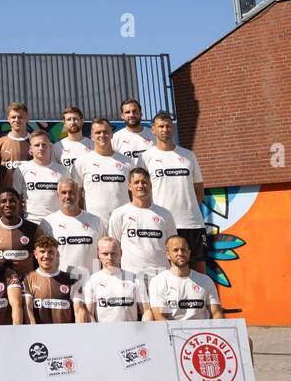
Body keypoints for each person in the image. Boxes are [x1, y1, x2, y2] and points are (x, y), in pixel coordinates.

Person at [140, 111, 209, 273]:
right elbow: (140, 191)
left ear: (173, 129)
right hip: (162, 223)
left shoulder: (188, 155)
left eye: (168, 126)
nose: (165, 129)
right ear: (153, 130)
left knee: (199, 272)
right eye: (161, 126)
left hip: (192, 223)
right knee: (166, 272)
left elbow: (199, 190)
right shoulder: (145, 158)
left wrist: (187, 208)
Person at [107, 167, 177, 282]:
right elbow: (113, 249)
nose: (140, 185)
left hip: (161, 277)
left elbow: (173, 247)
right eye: (136, 182)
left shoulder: (165, 214)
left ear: (150, 184)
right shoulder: (119, 213)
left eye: (144, 182)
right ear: (129, 186)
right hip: (131, 277)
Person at [69, 119, 135, 227]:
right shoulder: (82, 162)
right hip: (94, 223)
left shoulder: (127, 162)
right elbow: (78, 195)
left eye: (105, 132)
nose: (102, 135)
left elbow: (133, 193)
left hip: (124, 222)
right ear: (92, 136)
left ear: (111, 134)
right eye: (98, 132)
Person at [39, 178, 104, 277]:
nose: (67, 196)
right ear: (58, 195)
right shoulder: (48, 223)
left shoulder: (96, 221)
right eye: (64, 193)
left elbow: (104, 254)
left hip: (90, 283)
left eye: (71, 192)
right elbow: (40, 257)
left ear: (78, 194)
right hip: (60, 283)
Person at [149, 234, 223, 320]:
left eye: (183, 249)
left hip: (202, 331)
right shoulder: (158, 281)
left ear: (189, 253)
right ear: (168, 255)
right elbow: (159, 316)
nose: (180, 253)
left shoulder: (205, 280)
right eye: (175, 250)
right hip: (172, 331)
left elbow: (216, 313)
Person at [78, 236, 148, 323]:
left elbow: (146, 311)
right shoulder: (91, 281)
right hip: (103, 334)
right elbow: (89, 314)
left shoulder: (135, 278)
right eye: (105, 254)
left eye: (113, 253)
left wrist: (146, 329)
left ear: (121, 253)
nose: (110, 258)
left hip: (131, 333)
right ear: (98, 254)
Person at [22, 234, 81, 325]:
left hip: (66, 335)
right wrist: (34, 333)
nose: (46, 256)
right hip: (40, 336)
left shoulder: (72, 280)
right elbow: (27, 309)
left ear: (57, 254)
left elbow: (79, 311)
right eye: (42, 251)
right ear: (35, 254)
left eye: (50, 252)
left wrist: (79, 334)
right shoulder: (28, 279)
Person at [12, 131, 69, 223]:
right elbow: (16, 200)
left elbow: (68, 199)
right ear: (31, 149)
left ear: (50, 146)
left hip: (58, 223)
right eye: (37, 145)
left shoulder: (63, 171)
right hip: (31, 222)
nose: (41, 148)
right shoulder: (21, 170)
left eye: (44, 144)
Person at [0, 188, 38, 277]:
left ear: (19, 203)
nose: (8, 204)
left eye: (12, 201)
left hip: (26, 283)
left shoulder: (33, 229)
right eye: (3, 201)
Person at [51, 106, 93, 173]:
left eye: (75, 119)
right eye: (69, 119)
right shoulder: (57, 147)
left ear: (82, 121)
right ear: (64, 123)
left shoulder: (94, 145)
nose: (72, 122)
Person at [0, 102, 33, 170]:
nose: (16, 120)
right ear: (8, 119)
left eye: (20, 117)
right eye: (13, 117)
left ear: (27, 118)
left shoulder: (36, 142)